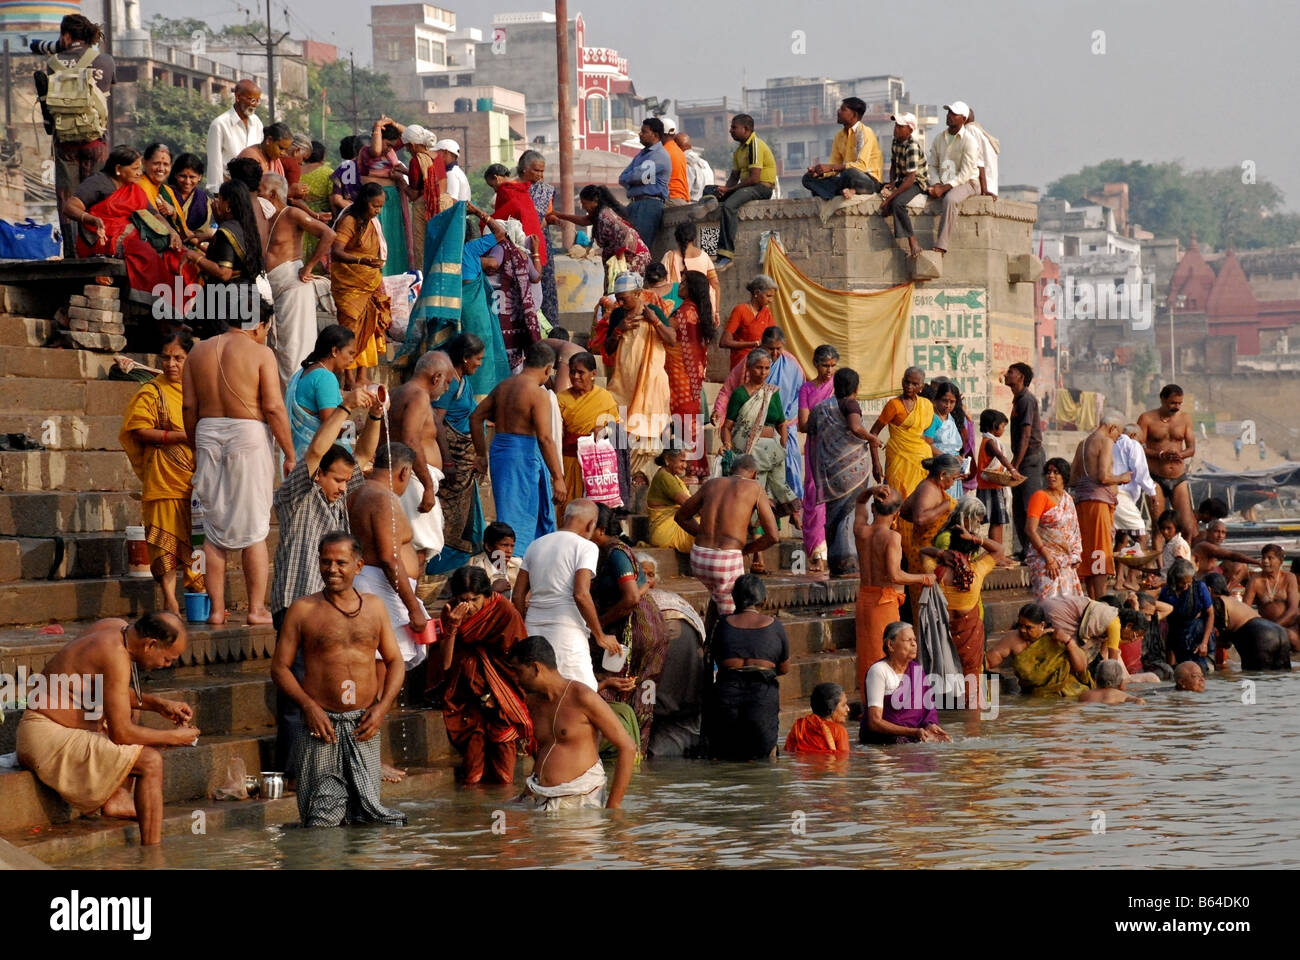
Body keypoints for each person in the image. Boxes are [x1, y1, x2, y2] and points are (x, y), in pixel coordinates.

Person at [268, 388, 384, 775]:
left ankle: (327, 766)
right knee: (296, 689)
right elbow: (317, 451)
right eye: (336, 479)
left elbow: (365, 458)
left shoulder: (339, 496)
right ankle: (294, 771)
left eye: (345, 480)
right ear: (318, 475)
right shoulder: (298, 494)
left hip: (326, 608)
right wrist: (347, 406)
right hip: (294, 602)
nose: (342, 486)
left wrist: (378, 417)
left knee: (322, 685)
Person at [15, 613, 196, 846]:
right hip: (46, 735)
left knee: (131, 711)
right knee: (150, 762)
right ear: (150, 644)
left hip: (41, 726)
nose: (166, 665)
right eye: (168, 659)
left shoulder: (117, 627)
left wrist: (159, 704)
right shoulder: (115, 654)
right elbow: (121, 734)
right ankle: (153, 855)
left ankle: (117, 797)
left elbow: (111, 688)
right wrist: (175, 737)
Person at [182, 253, 293, 626]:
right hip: (247, 436)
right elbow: (275, 409)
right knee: (254, 530)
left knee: (213, 529)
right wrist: (290, 453)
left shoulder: (196, 352)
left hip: (207, 433)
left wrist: (196, 445)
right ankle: (255, 609)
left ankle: (215, 611)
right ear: (258, 322)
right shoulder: (260, 353)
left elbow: (188, 407)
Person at [271, 533, 407, 827]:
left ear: (358, 566)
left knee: (368, 816)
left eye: (340, 562)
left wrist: (382, 708)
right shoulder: (303, 610)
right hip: (321, 726)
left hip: (364, 724)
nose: (332, 569)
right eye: (325, 562)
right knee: (321, 819)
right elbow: (280, 668)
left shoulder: (374, 607)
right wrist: (308, 707)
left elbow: (396, 661)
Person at [119, 333, 202, 616]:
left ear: (189, 360)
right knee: (163, 542)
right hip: (163, 477)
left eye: (178, 358)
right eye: (165, 358)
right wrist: (178, 436)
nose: (171, 364)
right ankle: (169, 599)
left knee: (198, 541)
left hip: (197, 480)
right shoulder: (152, 391)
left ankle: (197, 594)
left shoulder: (199, 391)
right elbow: (139, 430)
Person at [508, 636, 635, 810]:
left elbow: (627, 746)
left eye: (519, 672)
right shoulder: (533, 702)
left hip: (580, 798)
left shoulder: (582, 696)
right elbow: (547, 750)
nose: (517, 679)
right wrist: (526, 794)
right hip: (541, 797)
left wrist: (613, 806)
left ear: (536, 668)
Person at [437, 565, 533, 784]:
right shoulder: (451, 609)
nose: (468, 606)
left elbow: (518, 658)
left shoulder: (504, 611)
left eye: (474, 600)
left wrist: (495, 694)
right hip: (463, 684)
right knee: (474, 766)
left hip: (503, 683)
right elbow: (445, 662)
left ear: (487, 596)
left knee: (504, 770)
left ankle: (504, 806)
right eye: (464, 600)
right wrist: (452, 626)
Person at [64, 146, 193, 306]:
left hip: (130, 234)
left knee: (177, 254)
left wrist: (172, 232)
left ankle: (180, 308)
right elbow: (70, 207)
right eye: (135, 169)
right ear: (118, 169)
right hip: (102, 239)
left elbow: (154, 215)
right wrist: (90, 219)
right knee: (145, 252)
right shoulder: (98, 182)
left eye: (139, 168)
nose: (139, 173)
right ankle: (159, 308)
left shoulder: (134, 188)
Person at [471, 340, 566, 554]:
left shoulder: (504, 386)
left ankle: (513, 562)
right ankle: (516, 563)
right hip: (522, 456)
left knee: (508, 510)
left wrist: (480, 454)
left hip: (500, 453)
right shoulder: (538, 393)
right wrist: (558, 477)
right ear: (548, 368)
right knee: (521, 515)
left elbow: (476, 417)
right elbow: (544, 438)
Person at [512, 500, 618, 690]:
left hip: (533, 628)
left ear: (564, 517)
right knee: (583, 691)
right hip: (567, 630)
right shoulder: (586, 547)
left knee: (539, 691)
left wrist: (523, 628)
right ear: (591, 524)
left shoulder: (535, 545)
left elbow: (518, 596)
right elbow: (581, 594)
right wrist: (600, 635)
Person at [590, 505, 670, 753]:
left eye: (587, 525)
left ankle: (624, 752)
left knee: (622, 685)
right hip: (641, 626)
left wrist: (599, 625)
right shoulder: (610, 551)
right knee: (636, 688)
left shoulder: (616, 554)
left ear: (600, 530)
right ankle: (633, 754)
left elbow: (633, 598)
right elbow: (643, 585)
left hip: (637, 629)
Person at [347, 442, 432, 668]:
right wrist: (413, 607)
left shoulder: (358, 491)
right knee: (386, 662)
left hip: (368, 581)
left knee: (381, 660)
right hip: (380, 585)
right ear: (404, 472)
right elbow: (389, 558)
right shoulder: (383, 498)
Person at [677, 456, 780, 625]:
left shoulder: (711, 483)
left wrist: (703, 535)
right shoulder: (755, 487)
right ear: (754, 474)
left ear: (731, 470)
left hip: (699, 558)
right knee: (734, 617)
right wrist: (746, 549)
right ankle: (724, 647)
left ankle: (708, 645)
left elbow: (681, 516)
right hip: (725, 562)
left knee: (717, 599)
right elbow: (773, 536)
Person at [44, 14, 115, 258]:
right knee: (96, 196)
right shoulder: (105, 60)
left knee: (68, 200)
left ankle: (73, 255)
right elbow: (107, 94)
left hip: (65, 144)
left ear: (66, 36)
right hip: (96, 141)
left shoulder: (53, 63)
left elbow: (48, 108)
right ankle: (98, 250)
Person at [853, 485, 935, 696]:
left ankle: (869, 704)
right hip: (884, 602)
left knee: (867, 654)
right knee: (890, 654)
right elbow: (895, 575)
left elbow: (859, 501)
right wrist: (924, 578)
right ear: (897, 514)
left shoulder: (861, 530)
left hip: (864, 600)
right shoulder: (892, 537)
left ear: (874, 509)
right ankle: (886, 706)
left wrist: (871, 490)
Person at [259, 172, 337, 390]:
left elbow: (329, 234)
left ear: (272, 193)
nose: (257, 195)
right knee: (277, 350)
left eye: (260, 191)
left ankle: (296, 405)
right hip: (273, 289)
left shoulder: (291, 213)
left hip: (293, 287)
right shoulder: (265, 218)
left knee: (294, 351)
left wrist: (309, 266)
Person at [714, 326, 808, 502]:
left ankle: (788, 509)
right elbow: (728, 390)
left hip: (783, 429)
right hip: (748, 437)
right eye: (769, 349)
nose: (774, 353)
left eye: (778, 349)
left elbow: (799, 395)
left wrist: (785, 431)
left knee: (787, 467)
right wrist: (718, 412)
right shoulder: (745, 375)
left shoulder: (792, 366)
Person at [701, 575, 789, 760]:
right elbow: (784, 668)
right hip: (762, 701)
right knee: (765, 759)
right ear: (764, 601)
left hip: (726, 699)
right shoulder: (776, 627)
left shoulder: (722, 625)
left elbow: (711, 661)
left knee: (725, 761)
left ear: (734, 600)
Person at [808, 367, 884, 576]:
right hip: (852, 471)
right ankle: (848, 561)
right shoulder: (850, 404)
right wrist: (872, 438)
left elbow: (809, 428)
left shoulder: (821, 407)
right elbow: (855, 427)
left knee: (835, 515)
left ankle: (835, 559)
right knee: (850, 513)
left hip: (830, 471)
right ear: (856, 388)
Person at [921, 500, 1005, 681]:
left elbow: (924, 551)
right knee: (971, 684)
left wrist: (941, 555)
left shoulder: (937, 573)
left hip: (944, 633)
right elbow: (999, 549)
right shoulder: (976, 571)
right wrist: (976, 538)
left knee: (947, 684)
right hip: (969, 634)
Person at [386, 351, 453, 570]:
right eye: (447, 382)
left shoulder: (396, 393)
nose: (446, 389)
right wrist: (427, 485)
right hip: (412, 478)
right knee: (418, 548)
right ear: (436, 377)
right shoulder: (419, 396)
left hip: (400, 475)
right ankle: (410, 600)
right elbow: (411, 439)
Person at [606, 272, 675, 483]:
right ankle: (622, 478)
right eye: (617, 297)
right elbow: (608, 348)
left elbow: (671, 339)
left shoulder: (652, 311)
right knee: (619, 429)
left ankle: (635, 477)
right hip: (624, 382)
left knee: (647, 436)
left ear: (637, 293)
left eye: (623, 297)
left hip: (651, 383)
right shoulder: (617, 315)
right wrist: (618, 330)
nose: (619, 302)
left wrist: (655, 322)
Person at [430, 334, 490, 572]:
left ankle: (454, 570)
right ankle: (438, 570)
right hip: (454, 459)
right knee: (449, 518)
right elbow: (437, 421)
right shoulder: (450, 383)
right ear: (464, 359)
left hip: (466, 458)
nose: (480, 363)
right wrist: (448, 461)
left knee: (463, 518)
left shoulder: (462, 378)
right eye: (477, 359)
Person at [723, 348, 802, 527]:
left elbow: (782, 423)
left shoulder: (772, 393)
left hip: (773, 452)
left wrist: (782, 444)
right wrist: (727, 444)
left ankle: (789, 516)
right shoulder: (740, 394)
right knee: (754, 493)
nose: (763, 372)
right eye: (759, 368)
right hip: (750, 453)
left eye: (767, 368)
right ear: (749, 368)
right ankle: (753, 538)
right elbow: (727, 426)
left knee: (779, 486)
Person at [330, 182, 391, 388]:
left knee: (370, 328)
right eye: (375, 206)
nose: (378, 211)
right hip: (349, 283)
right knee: (350, 329)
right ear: (365, 202)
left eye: (381, 207)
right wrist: (360, 261)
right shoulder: (349, 221)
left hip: (370, 281)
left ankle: (362, 376)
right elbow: (336, 251)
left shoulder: (373, 223)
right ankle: (348, 378)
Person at [1070, 412, 1132, 598]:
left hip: (1082, 504)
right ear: (1112, 428)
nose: (1117, 438)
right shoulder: (1105, 441)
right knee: (1100, 553)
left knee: (1088, 553)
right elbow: (1104, 476)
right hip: (1097, 505)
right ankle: (1101, 600)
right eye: (1118, 434)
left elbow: (1072, 479)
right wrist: (1122, 478)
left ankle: (1091, 599)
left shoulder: (1082, 444)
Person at [861, 621, 952, 744]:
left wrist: (929, 726)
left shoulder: (917, 670)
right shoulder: (878, 671)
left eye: (914, 640)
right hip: (883, 742)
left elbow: (927, 709)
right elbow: (874, 722)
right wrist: (911, 732)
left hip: (911, 738)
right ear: (891, 645)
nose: (914, 644)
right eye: (908, 640)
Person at [548, 184, 650, 292]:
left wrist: (619, 258)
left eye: (584, 203)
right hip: (623, 257)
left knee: (624, 292)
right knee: (613, 291)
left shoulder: (605, 216)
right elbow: (583, 221)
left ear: (594, 200)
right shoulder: (599, 213)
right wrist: (558, 214)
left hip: (633, 257)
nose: (583, 207)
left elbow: (625, 233)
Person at [664, 270, 715, 479]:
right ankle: (698, 468)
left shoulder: (684, 312)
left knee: (686, 420)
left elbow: (666, 333)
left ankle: (691, 468)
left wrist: (655, 318)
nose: (680, 286)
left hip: (680, 373)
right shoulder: (700, 313)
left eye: (683, 283)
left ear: (691, 288)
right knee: (690, 420)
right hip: (693, 377)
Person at [985, 602, 1095, 698]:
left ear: (1042, 625)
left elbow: (1081, 668)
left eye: (1028, 627)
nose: (1023, 630)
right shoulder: (1012, 639)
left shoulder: (1055, 637)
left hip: (1067, 692)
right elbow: (991, 659)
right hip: (1034, 694)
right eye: (1020, 625)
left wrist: (1069, 642)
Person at [709, 114, 777, 269]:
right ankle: (706, 205)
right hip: (747, 186)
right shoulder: (739, 150)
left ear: (745, 129)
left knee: (729, 206)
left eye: (734, 127)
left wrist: (729, 190)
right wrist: (723, 191)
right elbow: (734, 177)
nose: (730, 131)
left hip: (761, 187)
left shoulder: (755, 145)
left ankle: (726, 255)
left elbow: (754, 178)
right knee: (711, 192)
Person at [898, 454, 962, 612]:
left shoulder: (931, 487)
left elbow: (905, 511)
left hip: (933, 553)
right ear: (942, 475)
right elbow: (919, 518)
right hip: (924, 557)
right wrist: (944, 507)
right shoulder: (928, 488)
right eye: (953, 479)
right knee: (927, 611)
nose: (953, 483)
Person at [284, 325, 356, 461]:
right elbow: (330, 428)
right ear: (335, 351)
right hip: (319, 461)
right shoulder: (325, 377)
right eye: (350, 353)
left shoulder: (305, 371)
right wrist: (356, 428)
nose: (352, 359)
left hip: (301, 454)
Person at [799, 345, 841, 573]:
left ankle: (834, 553)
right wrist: (822, 416)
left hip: (836, 449)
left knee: (835, 499)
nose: (829, 370)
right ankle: (816, 554)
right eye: (825, 365)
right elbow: (803, 424)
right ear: (816, 364)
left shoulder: (838, 387)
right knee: (815, 497)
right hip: (816, 448)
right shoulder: (806, 389)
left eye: (833, 365)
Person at [557, 350, 620, 500]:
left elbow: (617, 429)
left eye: (580, 372)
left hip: (597, 461)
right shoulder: (561, 398)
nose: (575, 377)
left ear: (593, 373)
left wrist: (604, 430)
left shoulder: (605, 397)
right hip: (570, 458)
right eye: (572, 372)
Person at [1137, 384, 1197, 541]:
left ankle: (1184, 562)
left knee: (1187, 526)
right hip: (1155, 477)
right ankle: (1159, 565)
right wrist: (1159, 454)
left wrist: (1180, 454)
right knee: (1159, 527)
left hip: (1178, 477)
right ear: (1162, 399)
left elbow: (1191, 448)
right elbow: (1137, 447)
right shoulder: (1147, 418)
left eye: (1179, 403)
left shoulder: (1185, 419)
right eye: (1172, 403)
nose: (1176, 407)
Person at [356, 116, 411, 275]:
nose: (389, 149)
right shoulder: (368, 151)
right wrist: (378, 127)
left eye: (392, 146)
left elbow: (409, 136)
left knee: (393, 238)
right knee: (378, 238)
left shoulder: (391, 152)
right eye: (388, 144)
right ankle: (379, 275)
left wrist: (394, 123)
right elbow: (377, 150)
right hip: (373, 199)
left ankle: (395, 275)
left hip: (392, 199)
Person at [869, 366, 934, 501]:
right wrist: (876, 463)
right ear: (902, 381)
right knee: (896, 497)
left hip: (921, 460)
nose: (909, 386)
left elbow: (926, 434)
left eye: (914, 384)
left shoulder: (926, 405)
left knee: (919, 500)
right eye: (907, 382)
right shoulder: (894, 405)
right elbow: (873, 433)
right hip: (898, 458)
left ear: (921, 386)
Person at [1024, 457, 1085, 600]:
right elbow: (1030, 529)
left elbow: (1074, 530)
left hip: (1066, 561)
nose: (1051, 475)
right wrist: (1049, 558)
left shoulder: (1068, 499)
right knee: (1048, 604)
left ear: (1064, 476)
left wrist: (1075, 555)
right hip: (1044, 560)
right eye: (1048, 472)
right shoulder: (1040, 496)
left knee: (1068, 605)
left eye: (1056, 472)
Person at [1204, 572, 1293, 669]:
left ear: (1208, 590)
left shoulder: (1216, 603)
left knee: (1255, 680)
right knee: (1280, 677)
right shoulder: (1232, 601)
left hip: (1260, 636)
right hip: (1279, 632)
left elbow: (1225, 642)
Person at [801, 97, 883, 201]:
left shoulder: (865, 132)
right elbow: (833, 166)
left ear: (854, 115)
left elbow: (861, 166)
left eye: (843, 109)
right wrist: (820, 172)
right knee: (808, 178)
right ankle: (840, 192)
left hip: (869, 181)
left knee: (848, 172)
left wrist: (831, 167)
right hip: (847, 179)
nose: (838, 111)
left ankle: (833, 192)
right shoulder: (839, 136)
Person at [926, 102, 980, 255]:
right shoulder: (939, 138)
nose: (949, 116)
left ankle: (942, 243)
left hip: (969, 183)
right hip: (944, 180)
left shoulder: (969, 141)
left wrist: (943, 188)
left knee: (950, 199)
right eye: (948, 112)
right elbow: (932, 165)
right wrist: (936, 183)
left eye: (953, 114)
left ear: (963, 119)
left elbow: (965, 174)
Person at [1004, 362, 1044, 558]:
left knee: (1030, 506)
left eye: (1010, 372)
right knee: (1018, 506)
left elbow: (1026, 436)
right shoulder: (1018, 399)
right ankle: (1024, 550)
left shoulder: (1026, 400)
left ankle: (1034, 551)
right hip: (1024, 459)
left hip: (1030, 460)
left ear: (1020, 377)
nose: (1006, 374)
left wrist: (1015, 466)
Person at [516, 150, 560, 326]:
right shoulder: (512, 188)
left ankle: (549, 326)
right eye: (536, 171)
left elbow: (546, 215)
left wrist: (551, 220)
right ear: (524, 169)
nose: (541, 175)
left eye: (543, 171)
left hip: (540, 241)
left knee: (545, 283)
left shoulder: (546, 191)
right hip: (518, 241)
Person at [878, 112, 930, 259]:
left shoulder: (912, 147)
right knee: (878, 187)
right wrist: (892, 182)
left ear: (909, 130)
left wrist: (889, 199)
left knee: (898, 203)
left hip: (917, 182)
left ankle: (912, 241)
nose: (896, 129)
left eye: (900, 126)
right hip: (902, 179)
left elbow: (911, 178)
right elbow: (894, 165)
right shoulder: (895, 142)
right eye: (896, 125)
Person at [618, 117, 671, 248]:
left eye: (644, 131)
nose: (640, 134)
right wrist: (635, 178)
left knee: (639, 247)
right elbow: (622, 178)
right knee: (627, 246)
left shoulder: (659, 155)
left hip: (649, 205)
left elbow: (637, 176)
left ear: (655, 135)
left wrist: (634, 177)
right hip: (635, 203)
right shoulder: (642, 154)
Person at [206, 79, 263, 193]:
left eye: (257, 101)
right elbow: (214, 163)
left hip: (254, 191)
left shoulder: (257, 122)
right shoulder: (219, 124)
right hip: (230, 190)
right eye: (252, 100)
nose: (255, 104)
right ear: (238, 97)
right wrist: (217, 194)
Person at [974, 408, 1020, 545]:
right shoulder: (989, 442)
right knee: (996, 520)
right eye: (1002, 426)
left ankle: (998, 553)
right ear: (994, 426)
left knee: (998, 521)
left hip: (993, 486)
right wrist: (1012, 470)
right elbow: (1000, 456)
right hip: (990, 487)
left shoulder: (989, 440)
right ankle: (997, 554)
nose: (1004, 429)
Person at [1159, 558, 1215, 671]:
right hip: (1177, 635)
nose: (1186, 586)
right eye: (1183, 582)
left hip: (1197, 633)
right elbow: (1165, 621)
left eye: (1189, 582)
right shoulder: (1167, 592)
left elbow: (1210, 614)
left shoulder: (1199, 588)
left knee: (1201, 669)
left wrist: (1204, 643)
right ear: (1175, 579)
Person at [1244, 544, 1299, 651]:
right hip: (1265, 627)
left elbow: (1293, 610)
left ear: (1280, 561)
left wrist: (1275, 627)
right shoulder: (1255, 580)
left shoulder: (1289, 578)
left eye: (1270, 558)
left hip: (1289, 625)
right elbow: (1246, 609)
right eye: (1263, 557)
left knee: (1292, 637)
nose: (1265, 561)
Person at [719, 274, 777, 371]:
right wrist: (753, 344)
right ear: (756, 293)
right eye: (768, 296)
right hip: (742, 363)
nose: (770, 300)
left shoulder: (766, 312)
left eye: (772, 297)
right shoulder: (740, 310)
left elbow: (773, 336)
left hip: (761, 365)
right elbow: (724, 342)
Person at [663, 222, 719, 319]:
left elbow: (662, 284)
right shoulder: (704, 256)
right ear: (694, 239)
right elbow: (716, 285)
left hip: (678, 310)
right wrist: (716, 311)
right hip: (704, 307)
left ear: (677, 239)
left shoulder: (669, 257)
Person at [924, 381, 969, 500]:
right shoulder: (933, 418)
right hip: (939, 472)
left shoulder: (951, 418)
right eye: (944, 400)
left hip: (952, 474)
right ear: (936, 400)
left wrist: (961, 465)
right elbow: (926, 445)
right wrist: (949, 458)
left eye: (952, 402)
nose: (948, 405)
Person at [1113, 422, 1156, 543]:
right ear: (1133, 435)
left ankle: (1118, 562)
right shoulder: (1132, 444)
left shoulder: (1109, 443)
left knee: (1121, 539)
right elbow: (1140, 471)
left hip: (1105, 494)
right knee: (1142, 537)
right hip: (1121, 496)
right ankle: (1142, 563)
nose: (1141, 445)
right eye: (1141, 441)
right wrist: (1151, 491)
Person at [159, 152, 215, 244]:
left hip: (197, 246)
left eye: (192, 177)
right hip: (167, 243)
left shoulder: (205, 201)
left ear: (200, 177)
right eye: (183, 176)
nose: (187, 181)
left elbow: (203, 233)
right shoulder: (164, 193)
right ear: (176, 174)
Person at [648, 446, 695, 553]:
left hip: (672, 527)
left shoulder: (672, 476)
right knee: (707, 528)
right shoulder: (664, 477)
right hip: (666, 532)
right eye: (682, 461)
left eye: (686, 462)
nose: (685, 466)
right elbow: (690, 504)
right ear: (668, 459)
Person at [785, 682, 851, 754]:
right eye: (843, 705)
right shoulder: (839, 731)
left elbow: (789, 752)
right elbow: (843, 760)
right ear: (831, 708)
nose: (848, 709)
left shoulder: (799, 727)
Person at [468, 522, 523, 596]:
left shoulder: (518, 565)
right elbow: (473, 599)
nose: (509, 551)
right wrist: (492, 590)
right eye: (504, 545)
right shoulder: (478, 568)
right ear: (489, 547)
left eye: (512, 546)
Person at [1077, 659, 1144, 704]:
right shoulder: (1124, 697)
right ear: (1121, 683)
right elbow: (1140, 701)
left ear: (1095, 681)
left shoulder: (1084, 695)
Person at [676, 132, 714, 201]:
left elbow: (685, 191)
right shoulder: (704, 163)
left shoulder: (685, 163)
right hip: (706, 203)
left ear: (678, 147)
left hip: (692, 206)